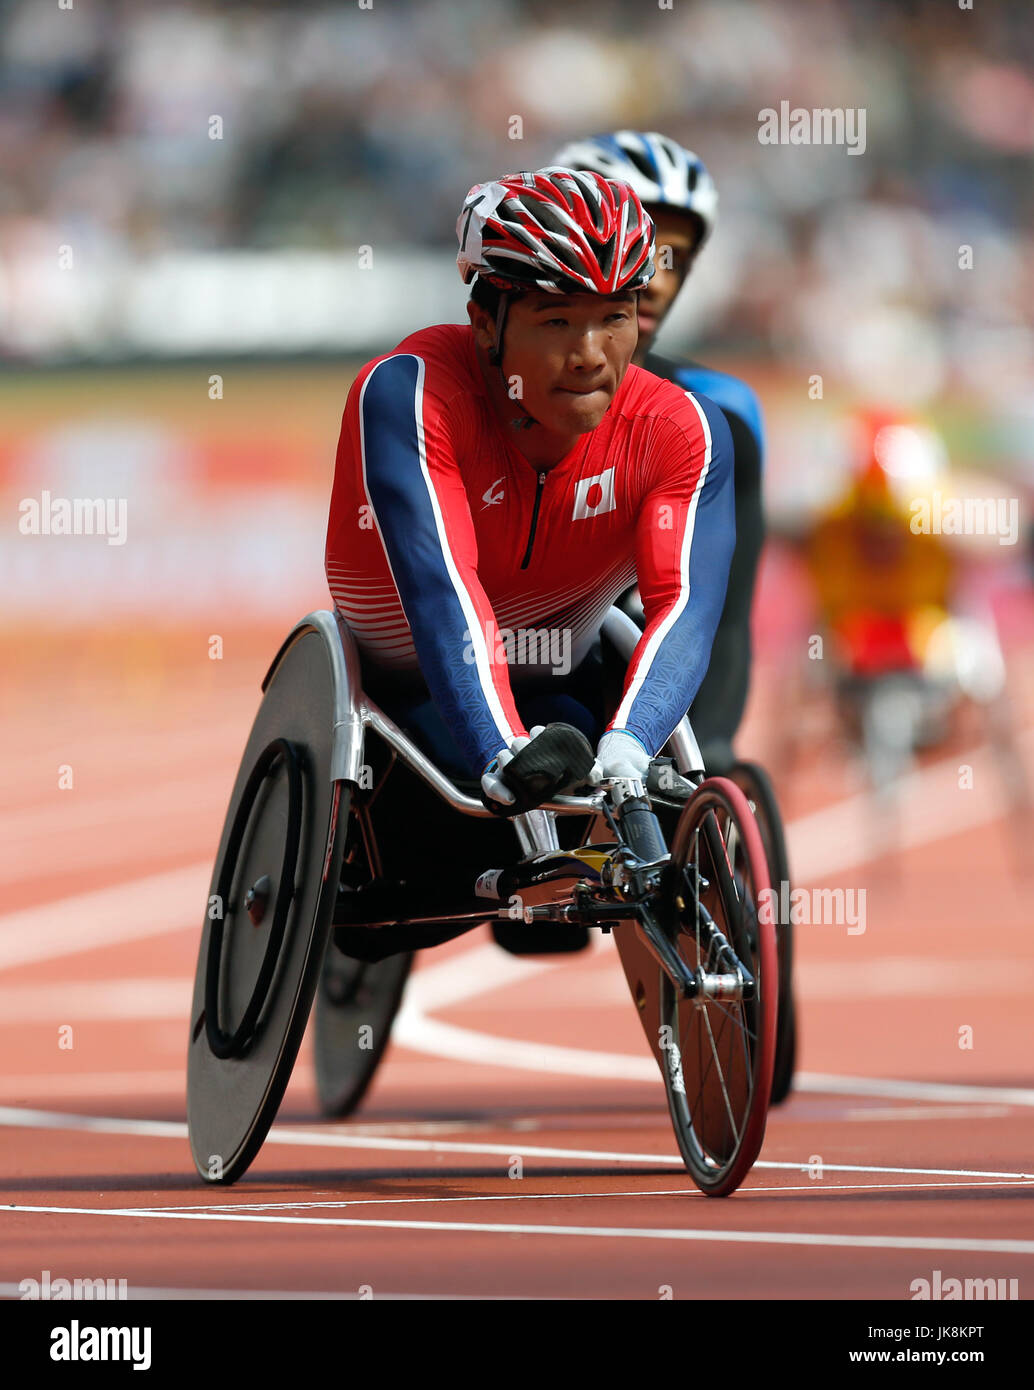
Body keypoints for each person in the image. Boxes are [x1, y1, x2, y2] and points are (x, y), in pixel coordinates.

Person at [325, 166, 735, 822]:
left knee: (582, 736)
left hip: (562, 690)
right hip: (406, 694)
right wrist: (499, 749)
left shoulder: (683, 428)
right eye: (556, 321)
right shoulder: (409, 393)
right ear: (485, 323)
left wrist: (632, 745)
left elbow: (685, 605)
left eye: (614, 317)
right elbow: (442, 587)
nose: (589, 355)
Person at [553, 132, 765, 773]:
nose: (657, 279)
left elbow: (725, 622)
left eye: (676, 257)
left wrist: (714, 750)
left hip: (646, 695)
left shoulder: (719, 413)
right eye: (634, 245)